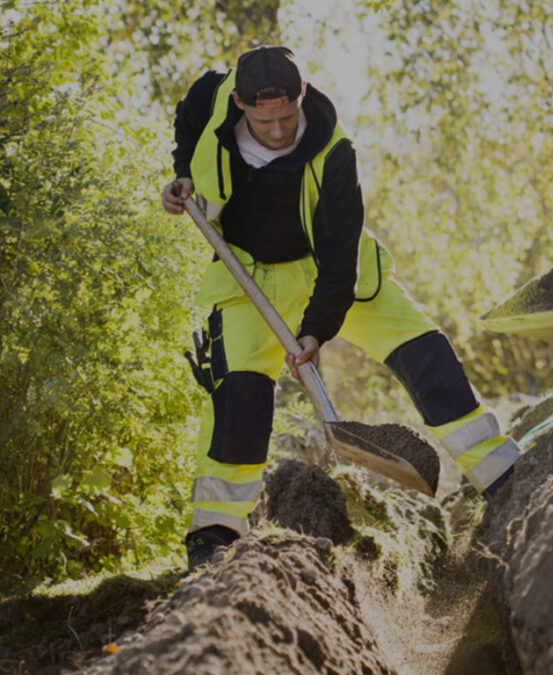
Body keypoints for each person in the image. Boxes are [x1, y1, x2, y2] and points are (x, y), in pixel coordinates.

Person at [161, 46, 520, 571]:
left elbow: (339, 256)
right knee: (238, 397)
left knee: (426, 354)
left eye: (287, 116)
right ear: (239, 103)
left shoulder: (335, 152)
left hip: (330, 273)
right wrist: (181, 178)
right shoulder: (210, 97)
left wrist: (316, 331)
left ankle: (503, 478)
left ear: (301, 95)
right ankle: (214, 535)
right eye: (266, 121)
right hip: (247, 278)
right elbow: (188, 124)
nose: (280, 130)